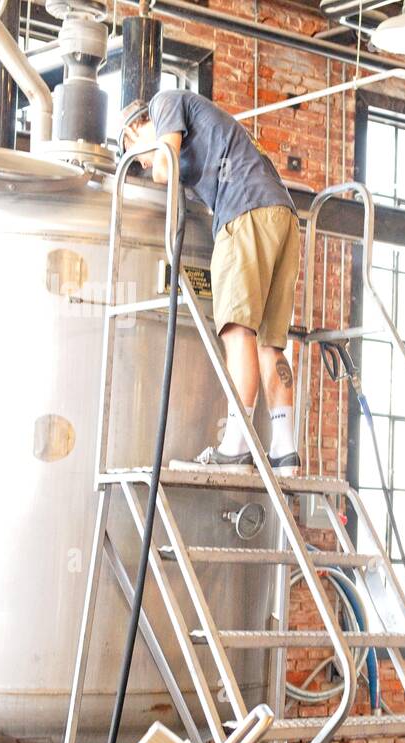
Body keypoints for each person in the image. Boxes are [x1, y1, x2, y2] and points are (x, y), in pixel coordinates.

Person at [120, 90, 301, 475]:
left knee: (238, 330)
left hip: (244, 212)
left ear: (138, 128)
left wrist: (150, 153)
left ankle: (236, 446)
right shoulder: (205, 128)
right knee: (271, 341)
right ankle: (285, 452)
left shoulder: (163, 102)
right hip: (281, 215)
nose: (144, 163)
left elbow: (165, 167)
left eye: (137, 152)